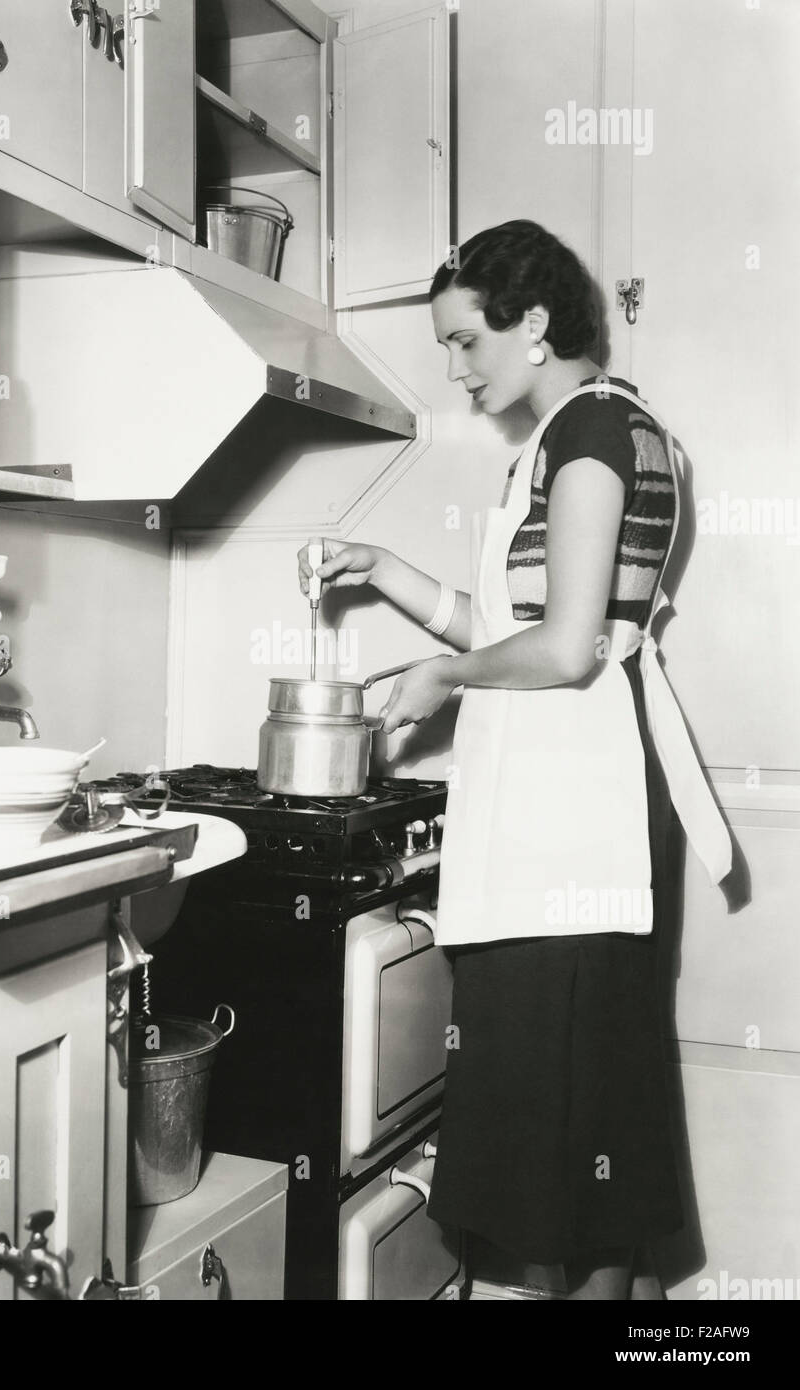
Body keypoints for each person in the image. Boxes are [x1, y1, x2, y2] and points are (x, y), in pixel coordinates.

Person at [297, 220, 731, 1300]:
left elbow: (567, 643)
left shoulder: (588, 435)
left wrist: (441, 682)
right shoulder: (590, 431)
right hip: (565, 809)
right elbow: (503, 620)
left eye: (464, 342)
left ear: (533, 324)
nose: (454, 368)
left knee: (563, 1147)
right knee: (579, 1145)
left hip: (578, 824)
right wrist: (385, 569)